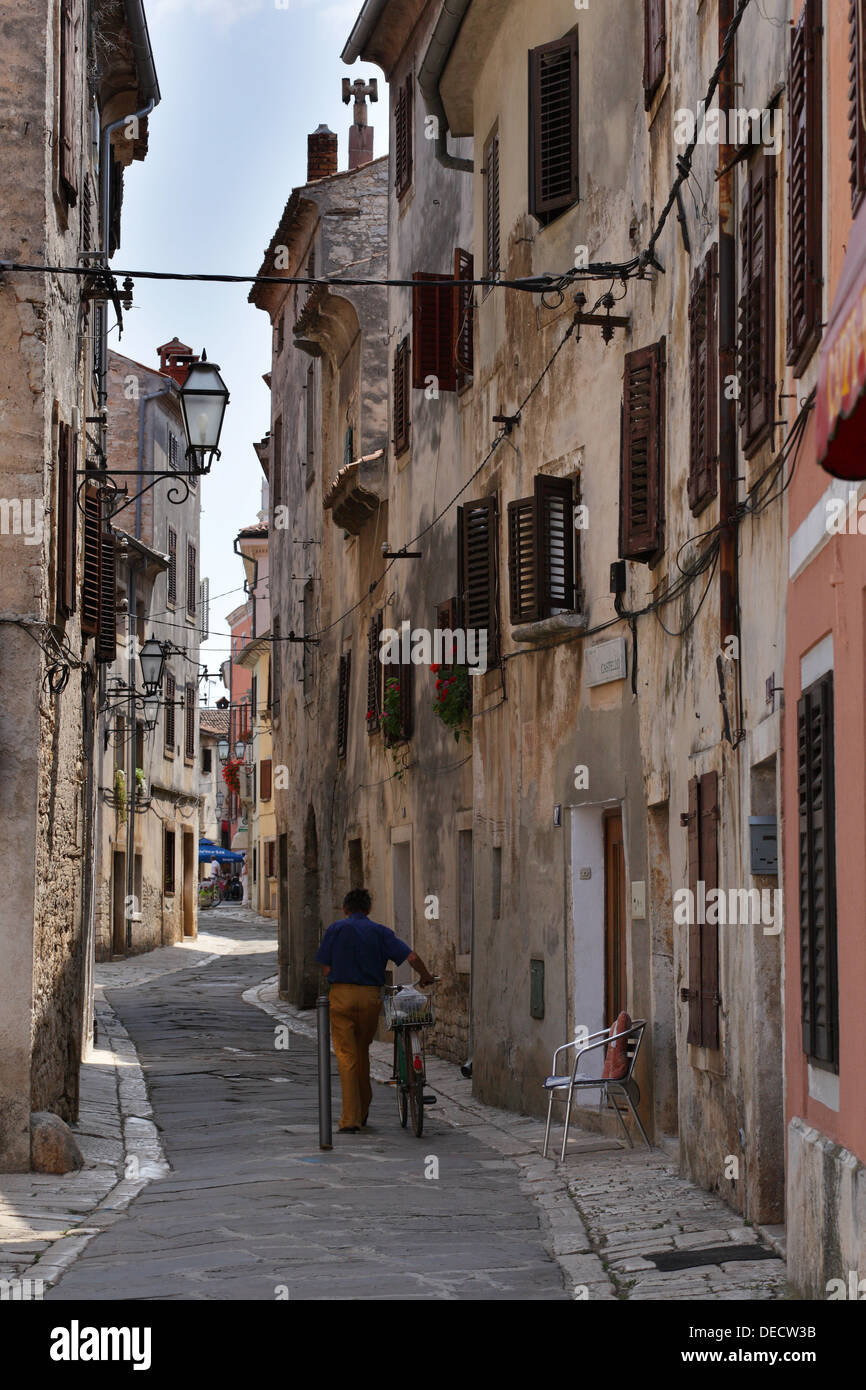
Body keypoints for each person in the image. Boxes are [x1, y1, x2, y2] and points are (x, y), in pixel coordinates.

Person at [316, 887, 434, 1134]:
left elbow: (326, 968)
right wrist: (425, 976)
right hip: (370, 998)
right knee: (361, 1052)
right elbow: (410, 957)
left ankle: (350, 1118)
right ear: (368, 909)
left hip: (341, 996)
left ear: (345, 909)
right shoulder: (380, 932)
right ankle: (363, 1108)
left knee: (346, 1057)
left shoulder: (335, 930)